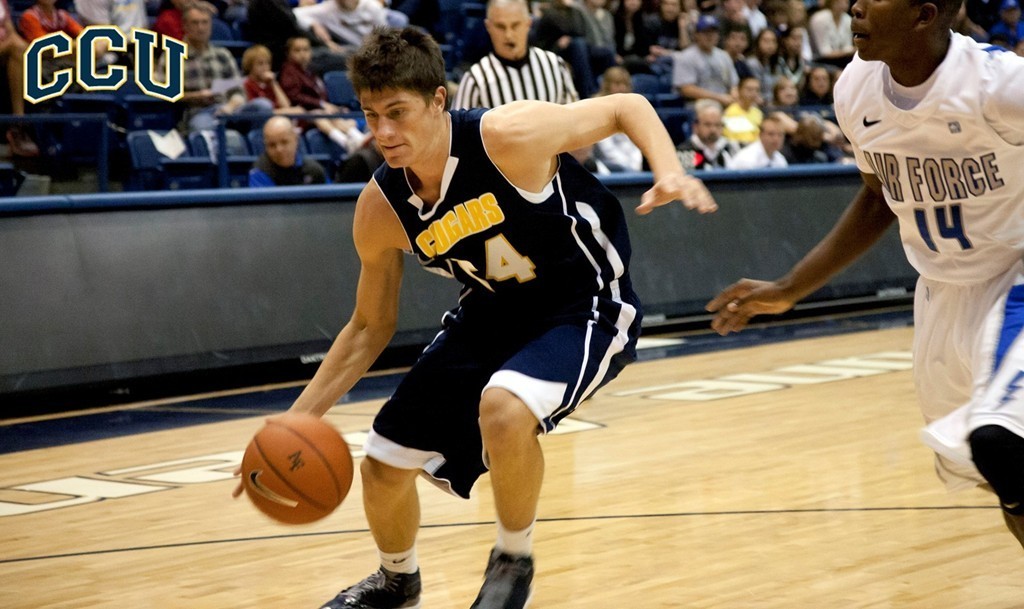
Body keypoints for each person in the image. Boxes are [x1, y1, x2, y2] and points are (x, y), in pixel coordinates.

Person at [232, 25, 718, 609]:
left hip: (585, 302)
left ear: (438, 100)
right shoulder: (380, 208)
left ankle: (512, 561)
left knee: (505, 408)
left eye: (397, 113)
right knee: (383, 463)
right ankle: (396, 580)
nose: (383, 132)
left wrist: (669, 169)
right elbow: (367, 327)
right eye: (370, 115)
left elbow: (625, 105)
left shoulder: (506, 136)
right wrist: (292, 422)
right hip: (491, 313)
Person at [706, 0, 1024, 551]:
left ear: (924, 16)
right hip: (943, 296)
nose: (855, 6)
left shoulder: (1001, 86)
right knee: (1004, 475)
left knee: (1003, 443)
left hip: (1015, 277)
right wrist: (790, 288)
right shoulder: (856, 88)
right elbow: (879, 199)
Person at [453, 0, 579, 109]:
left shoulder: (555, 65)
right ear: (488, 26)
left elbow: (574, 120)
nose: (508, 35)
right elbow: (458, 128)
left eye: (515, 25)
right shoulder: (475, 80)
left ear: (528, 23)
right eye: (500, 27)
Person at [177, 4, 274, 132]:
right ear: (185, 26)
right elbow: (164, 95)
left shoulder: (223, 55)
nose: (201, 28)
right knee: (201, 126)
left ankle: (256, 143)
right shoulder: (174, 56)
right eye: (195, 23)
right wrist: (196, 96)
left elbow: (238, 91)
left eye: (205, 22)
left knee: (263, 106)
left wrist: (231, 106)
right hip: (198, 113)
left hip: (228, 108)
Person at [671, 14, 739, 106]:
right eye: (705, 32)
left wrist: (734, 95)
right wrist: (718, 98)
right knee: (711, 111)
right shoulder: (686, 56)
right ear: (696, 35)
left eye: (713, 32)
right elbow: (686, 89)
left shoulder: (724, 56)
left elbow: (733, 84)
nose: (710, 36)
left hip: (724, 100)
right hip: (697, 103)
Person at [249, 115, 331, 186]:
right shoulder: (259, 173)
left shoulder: (314, 170)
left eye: (284, 142)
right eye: (272, 145)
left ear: (296, 140)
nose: (279, 150)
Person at [293, 0, 387, 56]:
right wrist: (313, 24)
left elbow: (383, 37)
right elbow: (295, 14)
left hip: (375, 51)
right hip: (351, 51)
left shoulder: (372, 7)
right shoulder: (328, 9)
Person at [676, 98, 740, 170]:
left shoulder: (731, 147)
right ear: (695, 127)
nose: (713, 129)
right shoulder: (684, 151)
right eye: (707, 124)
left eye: (717, 125)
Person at [807, 0, 855, 66]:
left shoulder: (848, 19)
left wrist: (850, 51)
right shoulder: (820, 19)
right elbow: (824, 53)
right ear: (832, 2)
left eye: (846, 2)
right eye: (839, 2)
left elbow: (847, 48)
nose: (844, 5)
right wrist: (852, 50)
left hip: (842, 60)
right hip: (819, 61)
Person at [722, 75, 763, 144]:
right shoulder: (730, 113)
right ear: (739, 90)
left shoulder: (758, 113)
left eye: (757, 90)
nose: (754, 93)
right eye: (749, 89)